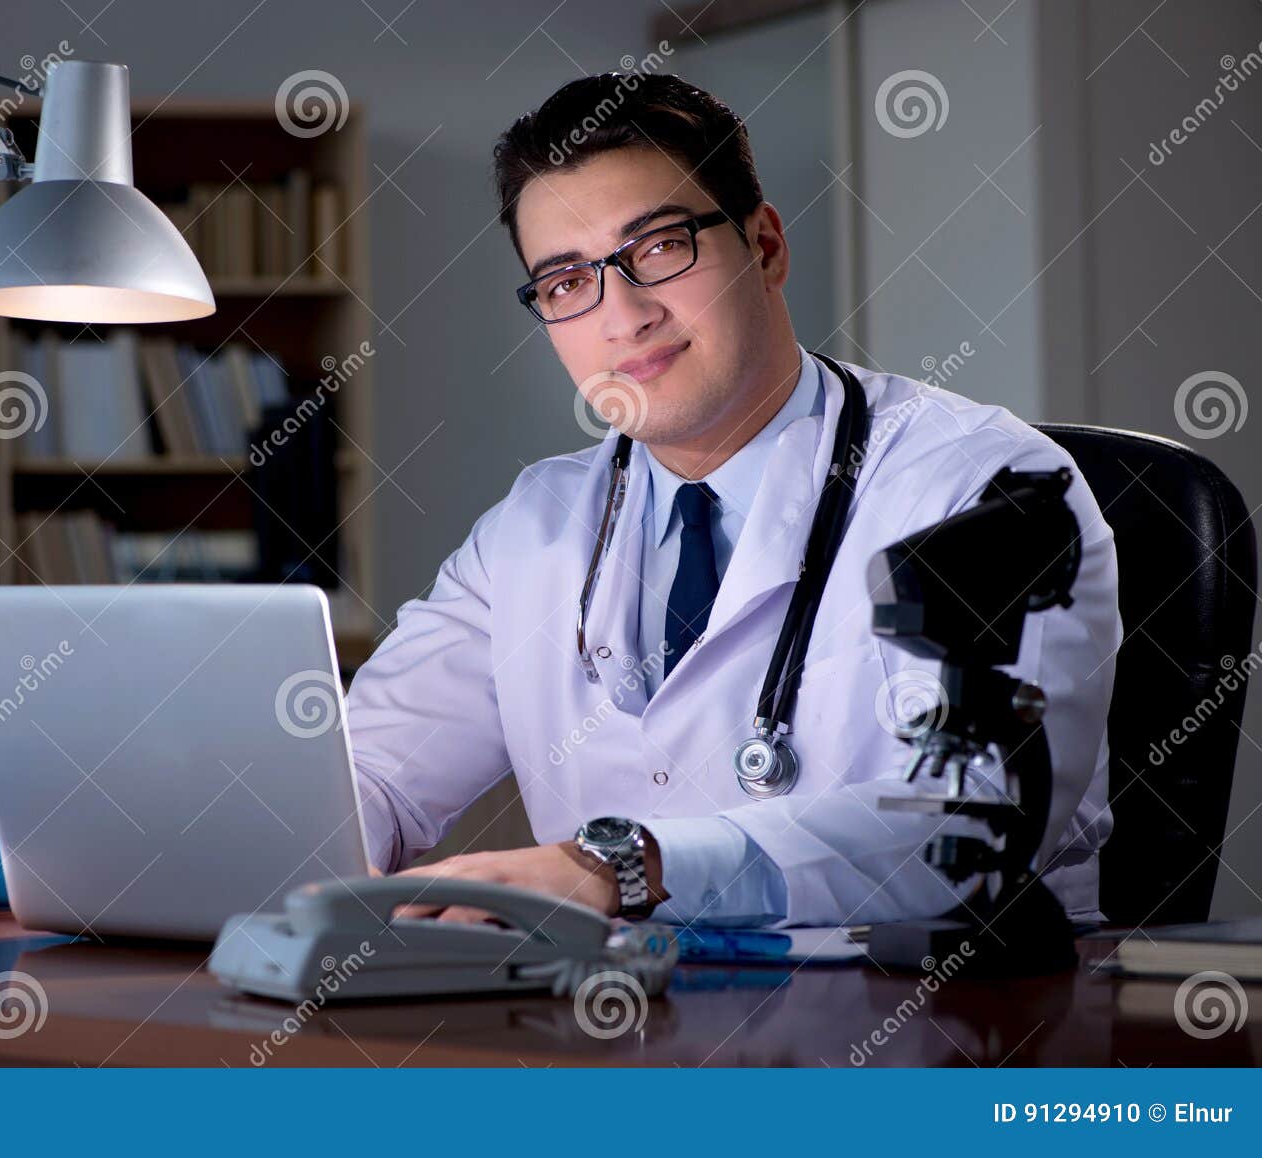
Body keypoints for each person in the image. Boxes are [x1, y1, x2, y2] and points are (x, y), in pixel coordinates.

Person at [344, 72, 1119, 928]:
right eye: (567, 283)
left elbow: (974, 820)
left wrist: (624, 869)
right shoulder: (532, 531)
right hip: (610, 1036)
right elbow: (366, 777)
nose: (624, 314)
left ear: (766, 246)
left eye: (660, 247)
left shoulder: (981, 491)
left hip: (939, 1032)